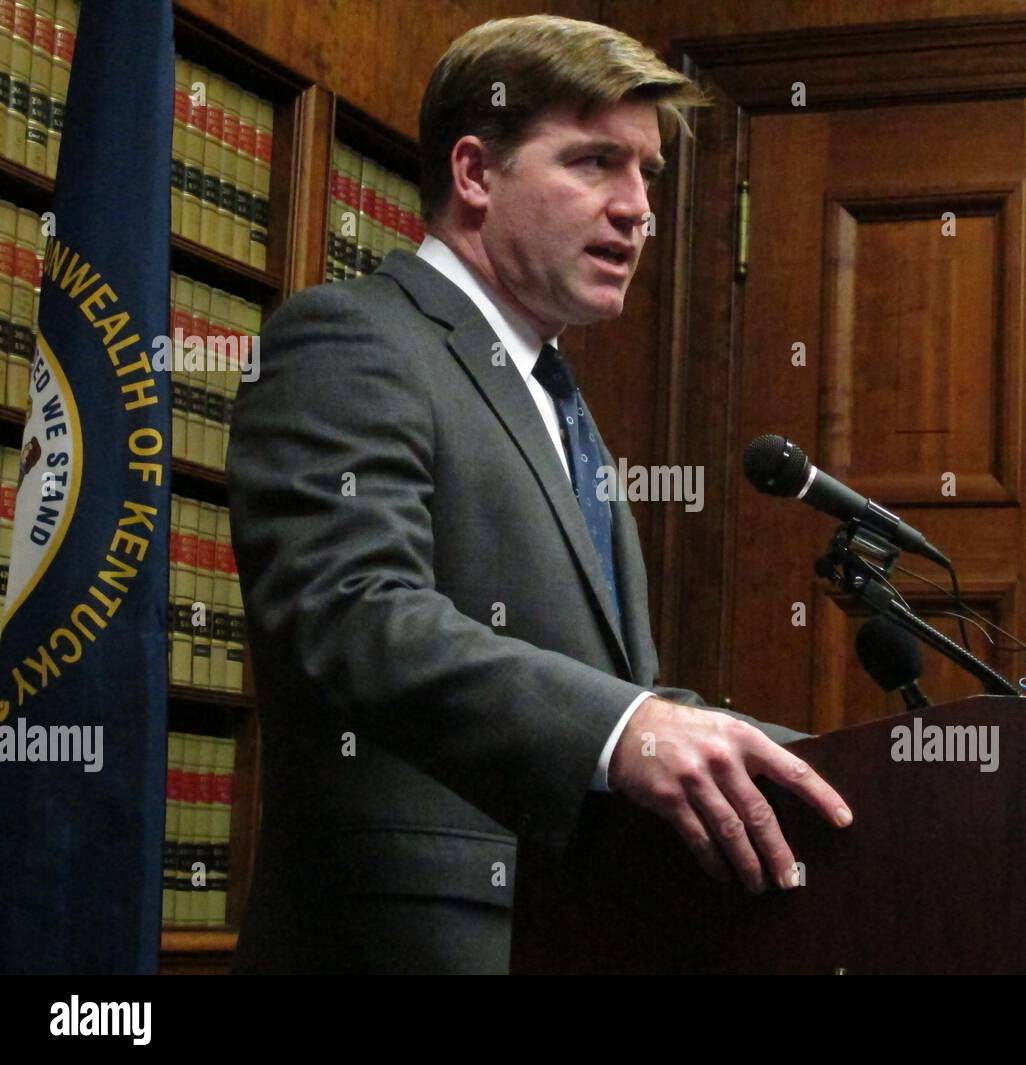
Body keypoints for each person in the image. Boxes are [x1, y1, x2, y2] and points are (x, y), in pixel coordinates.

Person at [226, 14, 852, 975]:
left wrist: (848, 773)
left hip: (568, 936)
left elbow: (619, 696)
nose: (638, 207)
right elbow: (352, 613)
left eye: (648, 173)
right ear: (476, 173)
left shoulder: (557, 403)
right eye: (596, 163)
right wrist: (626, 727)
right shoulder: (352, 342)